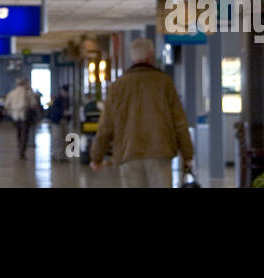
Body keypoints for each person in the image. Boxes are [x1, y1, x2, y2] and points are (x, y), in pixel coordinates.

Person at [89, 38, 195, 188]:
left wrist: (96, 157)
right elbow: (179, 122)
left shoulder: (117, 87)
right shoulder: (164, 83)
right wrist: (187, 154)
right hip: (160, 152)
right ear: (151, 56)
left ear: (133, 58)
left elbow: (105, 125)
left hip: (128, 153)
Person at [4, 77, 37, 160]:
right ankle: (22, 151)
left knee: (18, 133)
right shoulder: (28, 93)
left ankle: (19, 148)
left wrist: (12, 111)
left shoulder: (12, 93)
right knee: (24, 134)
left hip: (15, 116)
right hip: (25, 115)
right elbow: (33, 104)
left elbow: (6, 105)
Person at [47, 85, 72, 163]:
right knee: (57, 138)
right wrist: (63, 113)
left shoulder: (68, 100)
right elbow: (54, 110)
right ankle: (56, 154)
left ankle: (63, 155)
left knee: (65, 139)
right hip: (57, 121)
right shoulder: (57, 99)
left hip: (65, 121)